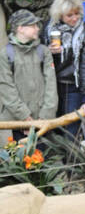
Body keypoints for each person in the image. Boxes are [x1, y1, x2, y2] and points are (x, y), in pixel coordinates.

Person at [43, 0, 85, 132]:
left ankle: (71, 155)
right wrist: (48, 52)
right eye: (69, 15)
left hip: (73, 87)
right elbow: (38, 60)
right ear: (59, 15)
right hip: (51, 87)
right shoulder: (49, 29)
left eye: (77, 14)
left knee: (70, 133)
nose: (74, 18)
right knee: (52, 131)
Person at [0, 8, 57, 136]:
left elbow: (51, 85)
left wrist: (45, 117)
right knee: (22, 155)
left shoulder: (43, 51)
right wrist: (25, 118)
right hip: (18, 122)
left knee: (46, 154)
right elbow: (7, 89)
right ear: (20, 28)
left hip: (43, 120)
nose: (38, 28)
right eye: (33, 25)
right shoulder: (6, 54)